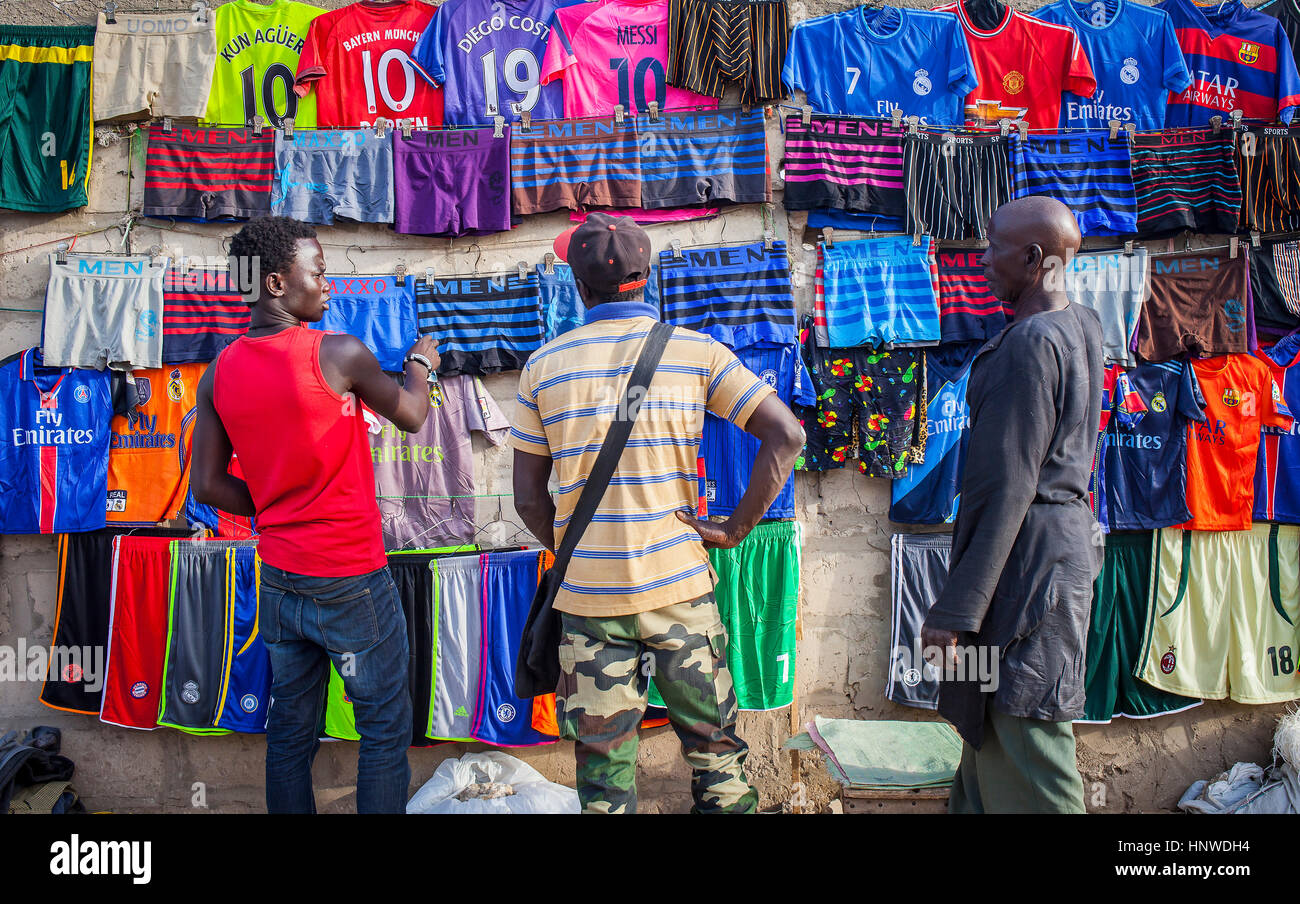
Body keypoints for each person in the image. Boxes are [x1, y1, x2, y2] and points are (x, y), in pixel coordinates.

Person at [511, 213, 804, 814]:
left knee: (603, 777)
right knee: (716, 756)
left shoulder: (542, 367)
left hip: (589, 601)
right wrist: (736, 527)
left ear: (580, 287)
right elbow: (786, 434)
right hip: (680, 590)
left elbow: (527, 499)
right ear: (647, 279)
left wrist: (575, 545)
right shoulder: (697, 353)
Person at [191, 216, 440, 814]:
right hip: (351, 578)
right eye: (319, 271)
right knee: (382, 728)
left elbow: (206, 483)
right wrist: (420, 365)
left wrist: (277, 511)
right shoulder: (339, 353)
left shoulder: (219, 372)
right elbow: (410, 415)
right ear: (277, 282)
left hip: (279, 577)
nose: (329, 283)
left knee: (291, 732)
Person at [920, 196, 1104, 814]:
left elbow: (1006, 490)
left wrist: (955, 611)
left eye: (993, 246)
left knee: (1026, 732)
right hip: (1050, 555)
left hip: (1024, 569)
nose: (982, 258)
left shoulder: (1026, 346)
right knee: (985, 737)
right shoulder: (1082, 324)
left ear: (1032, 259)